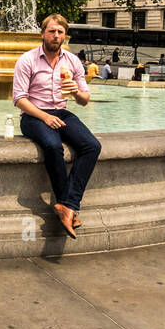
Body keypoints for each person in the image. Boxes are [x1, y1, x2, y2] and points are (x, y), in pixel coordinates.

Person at [12, 14, 100, 240]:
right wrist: (44, 117)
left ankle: (66, 205)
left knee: (92, 146)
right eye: (52, 31)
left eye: (60, 32)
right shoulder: (27, 60)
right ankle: (68, 205)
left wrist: (75, 92)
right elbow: (19, 99)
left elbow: (84, 99)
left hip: (61, 112)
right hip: (33, 115)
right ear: (43, 34)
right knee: (52, 146)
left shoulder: (72, 61)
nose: (56, 36)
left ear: (65, 36)